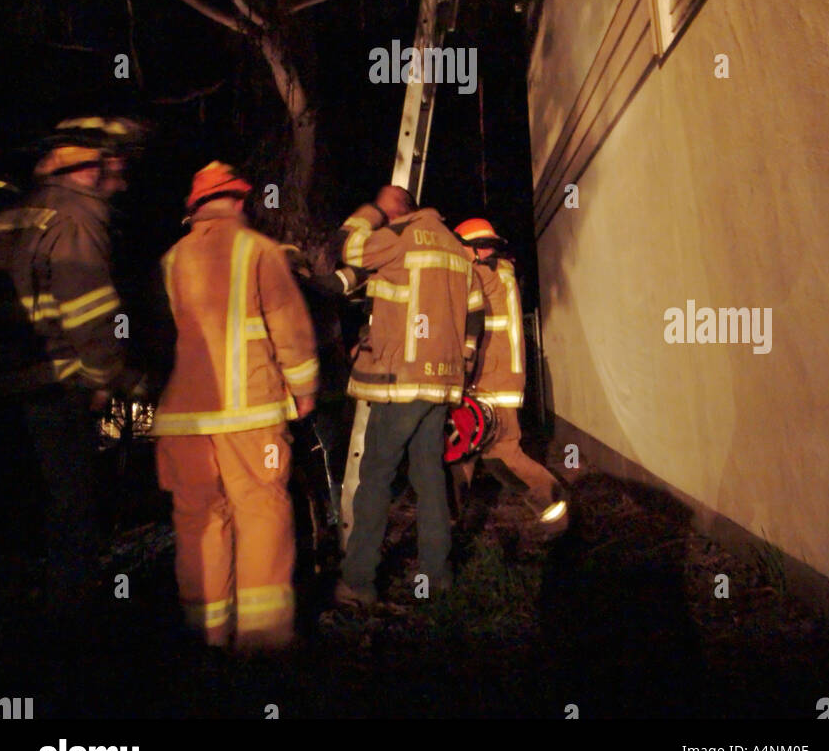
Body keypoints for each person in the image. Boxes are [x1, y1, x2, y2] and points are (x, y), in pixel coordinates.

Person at [152, 162, 319, 651]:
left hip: (183, 421)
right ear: (240, 201)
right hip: (251, 414)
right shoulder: (258, 251)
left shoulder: (169, 261)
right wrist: (303, 387)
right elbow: (290, 327)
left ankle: (207, 633)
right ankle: (263, 640)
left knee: (198, 520)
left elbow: (156, 341)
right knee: (262, 513)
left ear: (195, 208)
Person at [0, 117, 140, 616]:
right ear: (86, 163)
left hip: (3, 382)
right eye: (112, 156)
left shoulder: (15, 215)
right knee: (70, 505)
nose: (120, 169)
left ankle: (14, 608)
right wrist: (103, 379)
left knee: (14, 502)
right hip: (51, 384)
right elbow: (92, 313)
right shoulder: (75, 219)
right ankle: (71, 620)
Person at [334, 185, 484, 606]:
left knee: (376, 477)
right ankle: (437, 576)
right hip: (440, 384)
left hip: (402, 381)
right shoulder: (457, 248)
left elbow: (348, 245)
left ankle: (358, 581)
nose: (383, 214)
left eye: (387, 205)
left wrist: (369, 210)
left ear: (398, 207)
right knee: (430, 479)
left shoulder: (398, 237)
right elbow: (475, 311)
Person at [452, 218, 568, 530]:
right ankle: (447, 525)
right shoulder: (498, 272)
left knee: (502, 454)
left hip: (491, 380)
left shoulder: (481, 274)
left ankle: (557, 509)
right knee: (462, 449)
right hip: (494, 378)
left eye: (459, 248)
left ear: (476, 250)